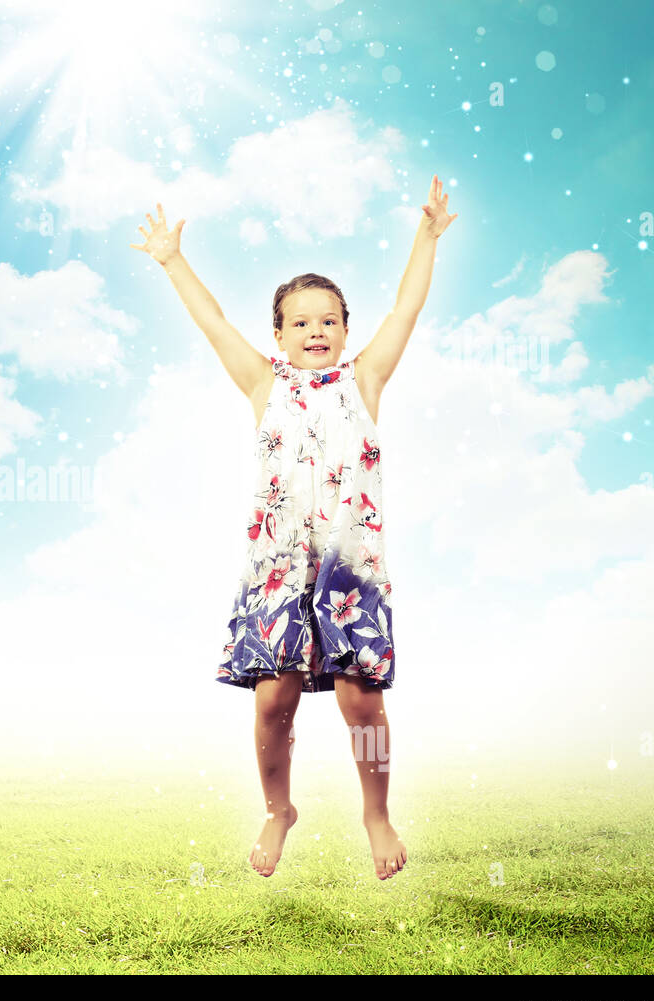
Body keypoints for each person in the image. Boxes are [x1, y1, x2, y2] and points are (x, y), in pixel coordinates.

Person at [130, 177, 458, 880]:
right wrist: (172, 261)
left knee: (358, 698)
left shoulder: (364, 380)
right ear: (278, 335)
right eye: (301, 322)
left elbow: (407, 308)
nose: (316, 331)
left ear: (346, 329)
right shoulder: (262, 384)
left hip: (350, 570)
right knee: (274, 695)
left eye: (329, 320)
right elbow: (213, 323)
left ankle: (377, 811)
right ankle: (279, 808)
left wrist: (425, 237)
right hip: (278, 567)